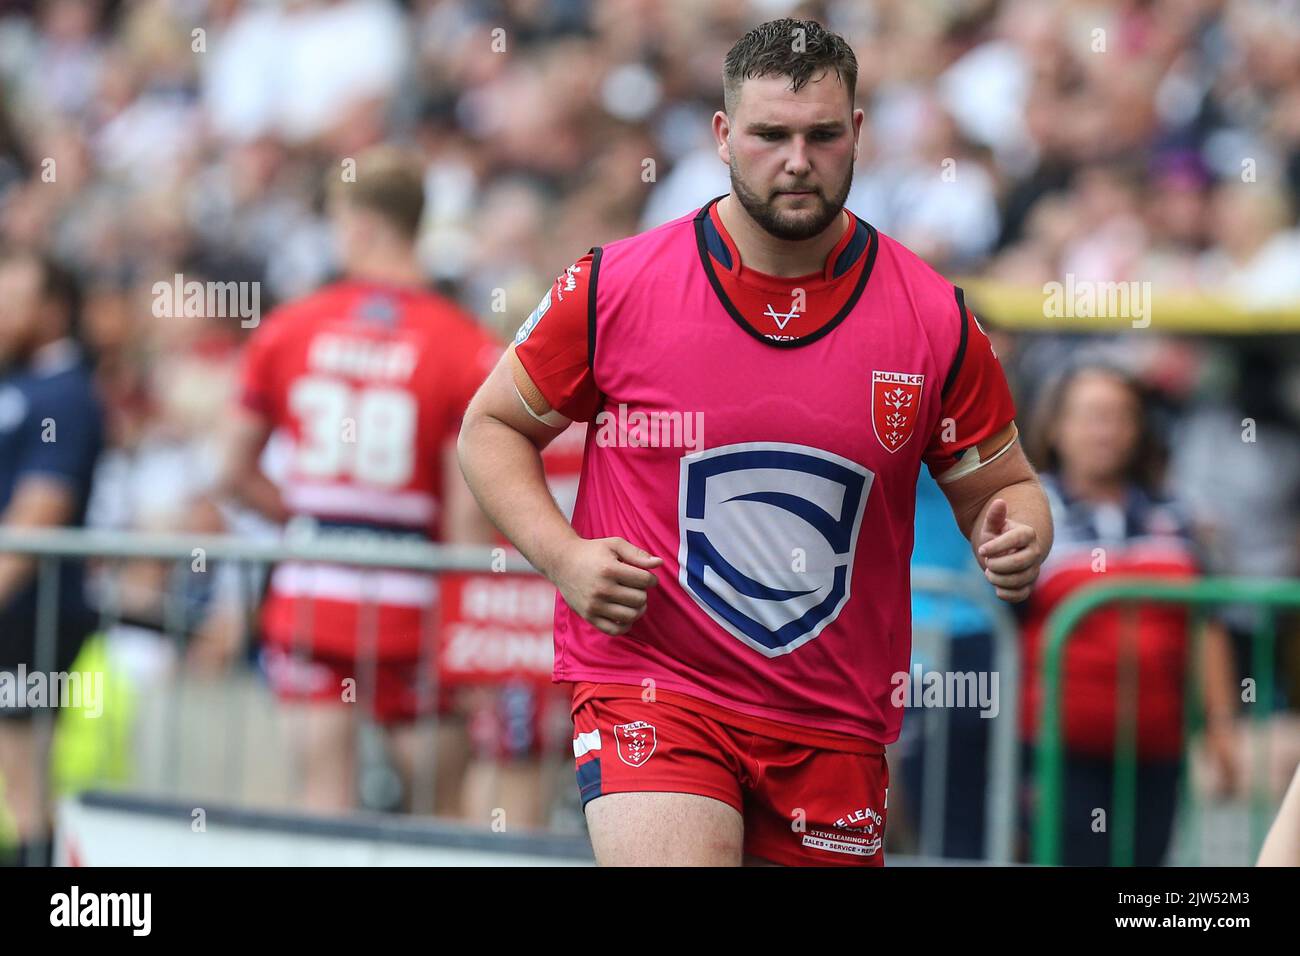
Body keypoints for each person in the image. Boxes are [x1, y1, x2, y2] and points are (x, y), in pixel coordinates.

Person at [458, 18, 1053, 866]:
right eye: (771, 134)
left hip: (833, 720)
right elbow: (491, 426)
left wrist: (1019, 528)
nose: (798, 159)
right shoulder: (616, 285)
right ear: (723, 135)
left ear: (859, 134)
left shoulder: (932, 317)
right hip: (654, 687)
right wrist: (563, 556)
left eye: (821, 134)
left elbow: (1005, 486)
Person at [217, 147, 499, 815]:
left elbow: (229, 470)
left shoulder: (288, 329)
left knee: (322, 808)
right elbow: (468, 515)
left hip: (312, 586)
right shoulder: (464, 342)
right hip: (415, 596)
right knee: (441, 814)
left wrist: (306, 520)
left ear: (361, 225)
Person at [1019, 362, 1240, 865]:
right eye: (1093, 416)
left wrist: (1222, 724)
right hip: (1060, 749)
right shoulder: (1030, 513)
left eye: (1121, 417)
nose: (1108, 431)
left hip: (1157, 746)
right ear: (1056, 427)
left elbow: (1205, 623)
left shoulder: (1176, 512)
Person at [0, 251, 104, 866]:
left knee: (25, 769)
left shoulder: (64, 393)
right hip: (20, 606)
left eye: (14, 300)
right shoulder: (23, 382)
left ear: (53, 309)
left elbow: (41, 511)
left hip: (34, 608)